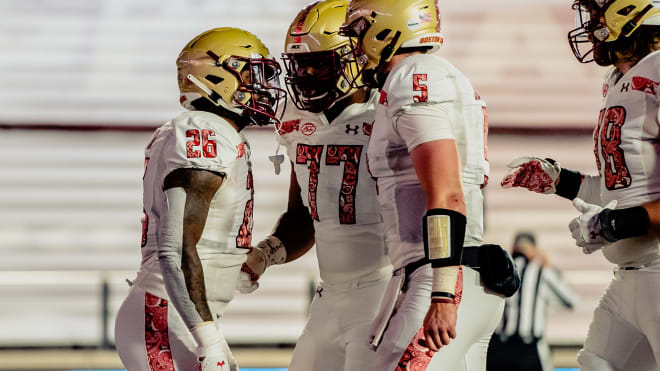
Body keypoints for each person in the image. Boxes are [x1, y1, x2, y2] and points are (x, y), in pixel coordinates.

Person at [339, 1, 514, 370]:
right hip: (451, 270)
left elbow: (447, 191)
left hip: (441, 273)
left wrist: (443, 294)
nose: (355, 45)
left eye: (358, 30)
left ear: (387, 29)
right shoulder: (436, 74)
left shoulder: (412, 77)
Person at [113, 27, 286, 371]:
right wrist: (207, 338)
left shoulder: (216, 131)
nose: (262, 86)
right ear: (216, 76)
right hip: (163, 318)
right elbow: (175, 246)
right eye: (251, 74)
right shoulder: (204, 129)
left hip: (174, 314)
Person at [501, 1, 660, 369]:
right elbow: (617, 189)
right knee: (596, 362)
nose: (590, 26)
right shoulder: (621, 81)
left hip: (655, 268)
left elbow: (621, 211)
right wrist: (561, 182)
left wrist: (612, 225)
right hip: (630, 276)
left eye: (597, 14)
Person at [235, 1, 392, 370]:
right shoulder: (295, 120)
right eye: (300, 63)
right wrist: (264, 254)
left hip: (384, 290)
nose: (306, 72)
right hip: (330, 296)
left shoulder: (388, 114)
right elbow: (304, 214)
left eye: (320, 62)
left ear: (356, 56)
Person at [487, 232, 577, 371]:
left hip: (499, 346)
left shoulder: (498, 270)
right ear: (534, 250)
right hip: (527, 348)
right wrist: (548, 266)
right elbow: (570, 301)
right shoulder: (542, 272)